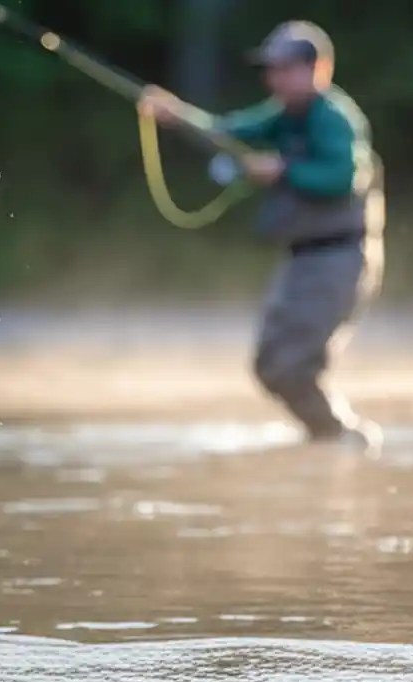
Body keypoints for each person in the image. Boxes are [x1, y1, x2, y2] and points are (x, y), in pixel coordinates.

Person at [137, 20, 384, 456]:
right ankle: (330, 441)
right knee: (269, 365)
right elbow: (226, 131)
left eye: (286, 67)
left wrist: (284, 170)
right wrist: (176, 116)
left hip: (340, 258)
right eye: (271, 68)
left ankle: (344, 440)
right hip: (302, 261)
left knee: (292, 365)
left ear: (318, 68)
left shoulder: (335, 119)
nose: (275, 77)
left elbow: (344, 176)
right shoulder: (283, 114)